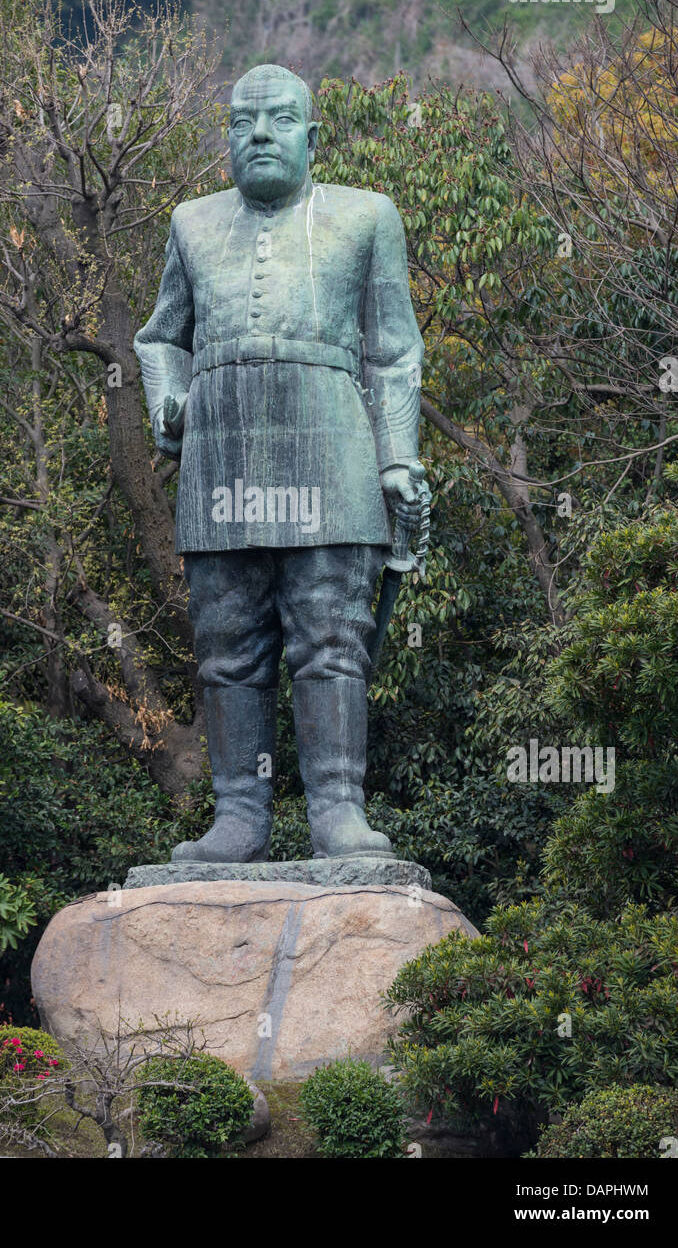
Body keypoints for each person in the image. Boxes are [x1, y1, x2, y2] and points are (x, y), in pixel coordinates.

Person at [134, 64, 426, 862]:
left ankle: (337, 811)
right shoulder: (192, 223)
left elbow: (394, 350)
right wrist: (169, 404)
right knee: (227, 643)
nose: (257, 134)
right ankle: (238, 816)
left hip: (332, 443)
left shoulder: (366, 217)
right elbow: (162, 337)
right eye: (241, 122)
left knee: (330, 635)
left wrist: (397, 456)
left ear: (310, 136)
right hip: (220, 451)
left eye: (277, 120)